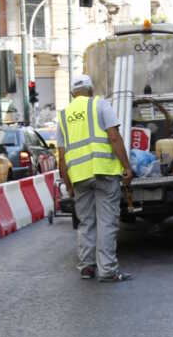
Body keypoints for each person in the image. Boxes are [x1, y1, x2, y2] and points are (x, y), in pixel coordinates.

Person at [57, 75, 135, 282]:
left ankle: (86, 267)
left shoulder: (64, 115)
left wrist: (68, 185)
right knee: (107, 222)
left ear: (73, 94)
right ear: (90, 90)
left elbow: (61, 157)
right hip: (104, 172)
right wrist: (127, 166)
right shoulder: (100, 104)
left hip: (79, 177)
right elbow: (114, 137)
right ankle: (108, 270)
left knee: (86, 222)